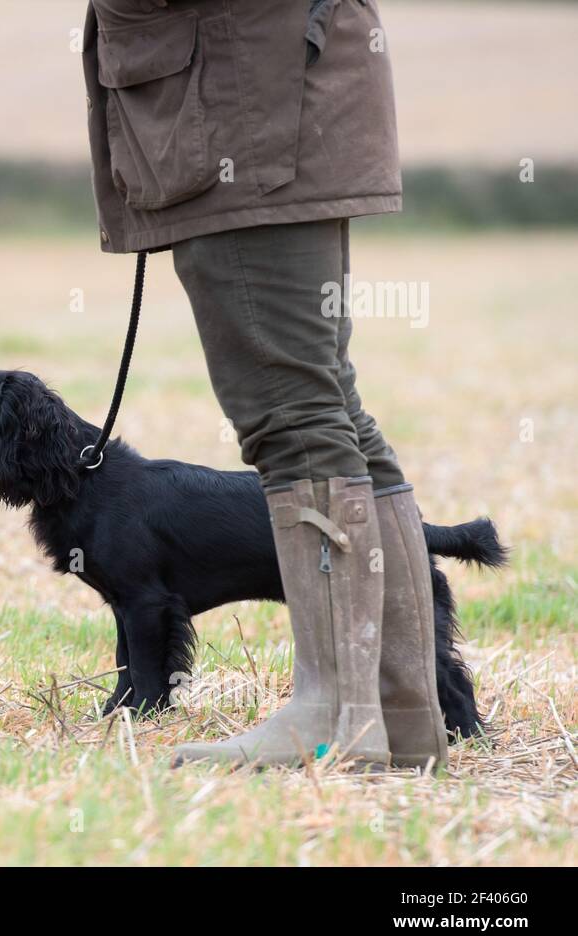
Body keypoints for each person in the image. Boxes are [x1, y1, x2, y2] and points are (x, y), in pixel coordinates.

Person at [83, 0, 447, 768]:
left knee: (296, 416)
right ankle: (394, 713)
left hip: (242, 108)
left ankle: (334, 715)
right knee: (328, 408)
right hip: (264, 97)